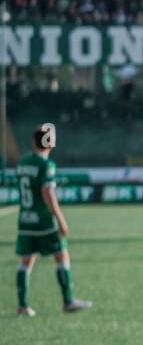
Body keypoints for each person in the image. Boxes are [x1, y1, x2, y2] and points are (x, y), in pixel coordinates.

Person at [15, 125, 92, 316]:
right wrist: (61, 219)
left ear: (34, 141)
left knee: (25, 261)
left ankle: (22, 306)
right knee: (62, 256)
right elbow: (47, 191)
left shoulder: (23, 163)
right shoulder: (47, 166)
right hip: (44, 222)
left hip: (25, 220)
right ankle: (68, 301)